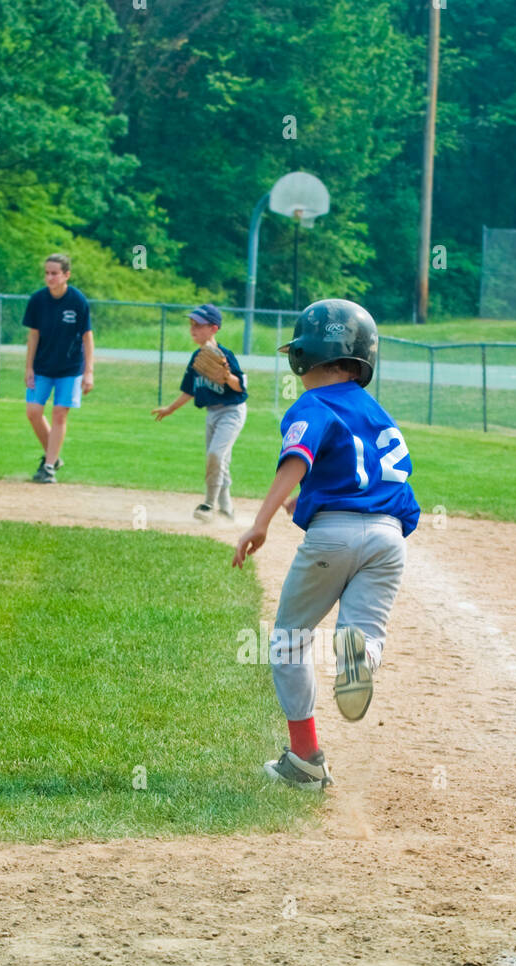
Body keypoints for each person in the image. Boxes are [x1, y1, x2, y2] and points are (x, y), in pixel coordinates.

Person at [232, 298, 420, 791]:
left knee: (288, 641)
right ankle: (361, 658)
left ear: (304, 357)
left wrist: (261, 521)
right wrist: (311, 502)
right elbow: (363, 476)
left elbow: (297, 458)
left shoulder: (312, 404)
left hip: (333, 537)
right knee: (363, 635)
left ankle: (306, 759)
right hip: (388, 538)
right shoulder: (379, 414)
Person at [151, 304, 247, 521]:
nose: (193, 329)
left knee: (216, 455)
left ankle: (208, 504)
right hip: (212, 413)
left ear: (214, 328)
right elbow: (189, 390)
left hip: (232, 412)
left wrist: (226, 375)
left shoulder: (225, 355)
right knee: (218, 460)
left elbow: (240, 387)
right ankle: (227, 508)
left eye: (199, 325)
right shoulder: (197, 357)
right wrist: (170, 409)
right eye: (191, 324)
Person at [23, 254, 94, 483]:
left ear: (66, 275)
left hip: (70, 368)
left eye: (54, 273)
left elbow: (87, 337)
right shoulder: (37, 300)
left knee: (58, 414)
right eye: (47, 273)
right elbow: (33, 336)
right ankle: (54, 457)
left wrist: (89, 372)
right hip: (42, 366)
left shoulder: (77, 300)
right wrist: (29, 367)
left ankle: (49, 466)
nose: (50, 277)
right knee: (33, 412)